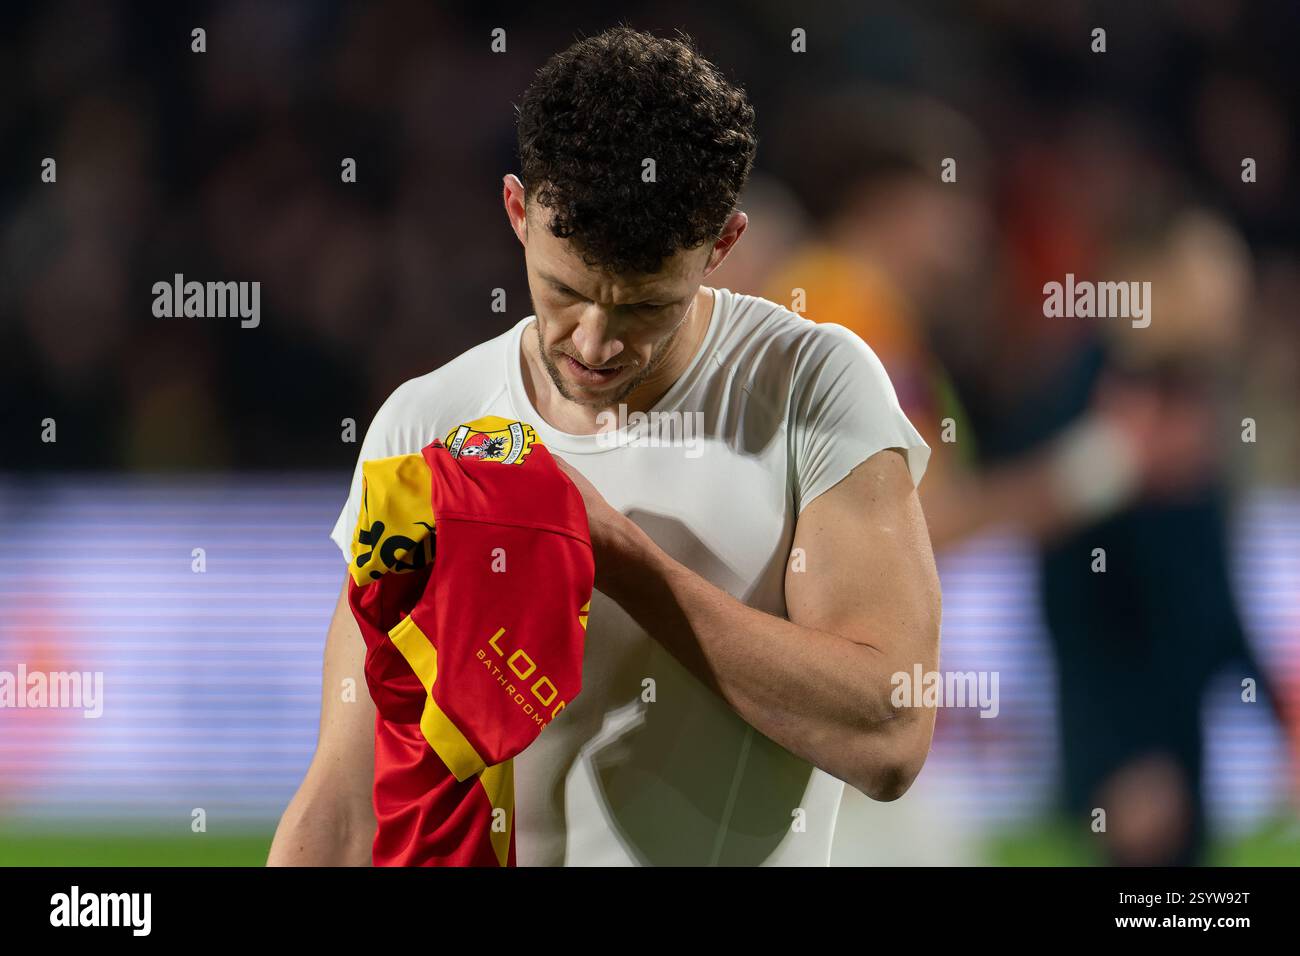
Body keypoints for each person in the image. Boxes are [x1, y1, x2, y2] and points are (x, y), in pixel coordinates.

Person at [268, 27, 940, 866]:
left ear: (721, 247)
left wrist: (620, 557)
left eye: (643, 308)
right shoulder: (428, 422)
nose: (592, 343)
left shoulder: (814, 385)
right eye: (564, 291)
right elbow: (344, 791)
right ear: (518, 212)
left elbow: (890, 735)